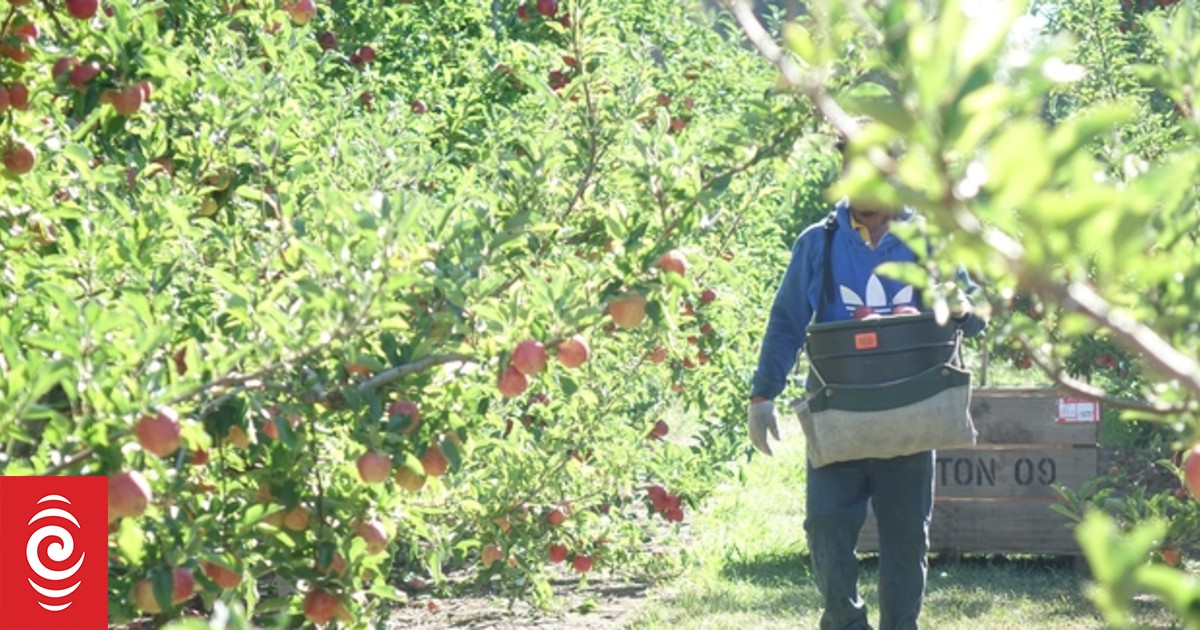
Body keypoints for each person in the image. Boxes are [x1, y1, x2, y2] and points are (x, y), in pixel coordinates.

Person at [746, 131, 986, 630]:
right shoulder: (819, 243)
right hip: (840, 419)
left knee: (905, 538)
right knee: (827, 527)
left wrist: (964, 307)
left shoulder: (930, 243)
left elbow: (977, 313)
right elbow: (787, 321)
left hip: (911, 416)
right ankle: (845, 622)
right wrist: (762, 394)